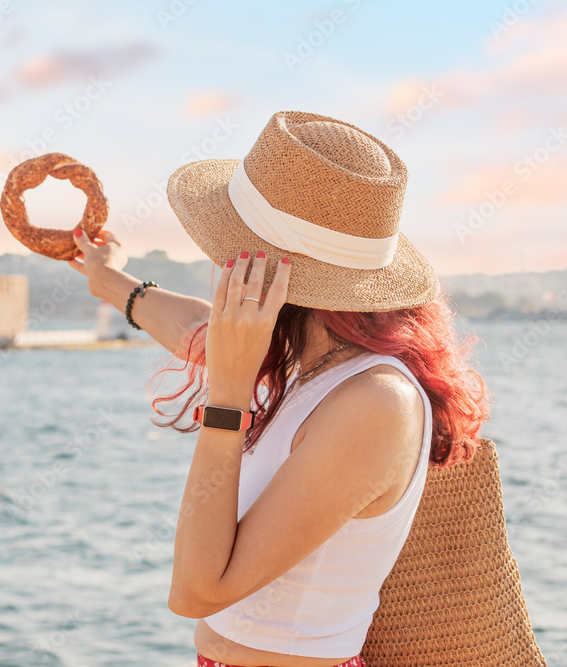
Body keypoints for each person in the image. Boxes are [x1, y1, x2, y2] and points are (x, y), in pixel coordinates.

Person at [66, 111, 490, 667]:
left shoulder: (377, 402)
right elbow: (194, 327)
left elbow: (197, 591)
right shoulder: (308, 361)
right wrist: (108, 277)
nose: (221, 262)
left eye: (234, 246)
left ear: (274, 266)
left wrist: (230, 395)